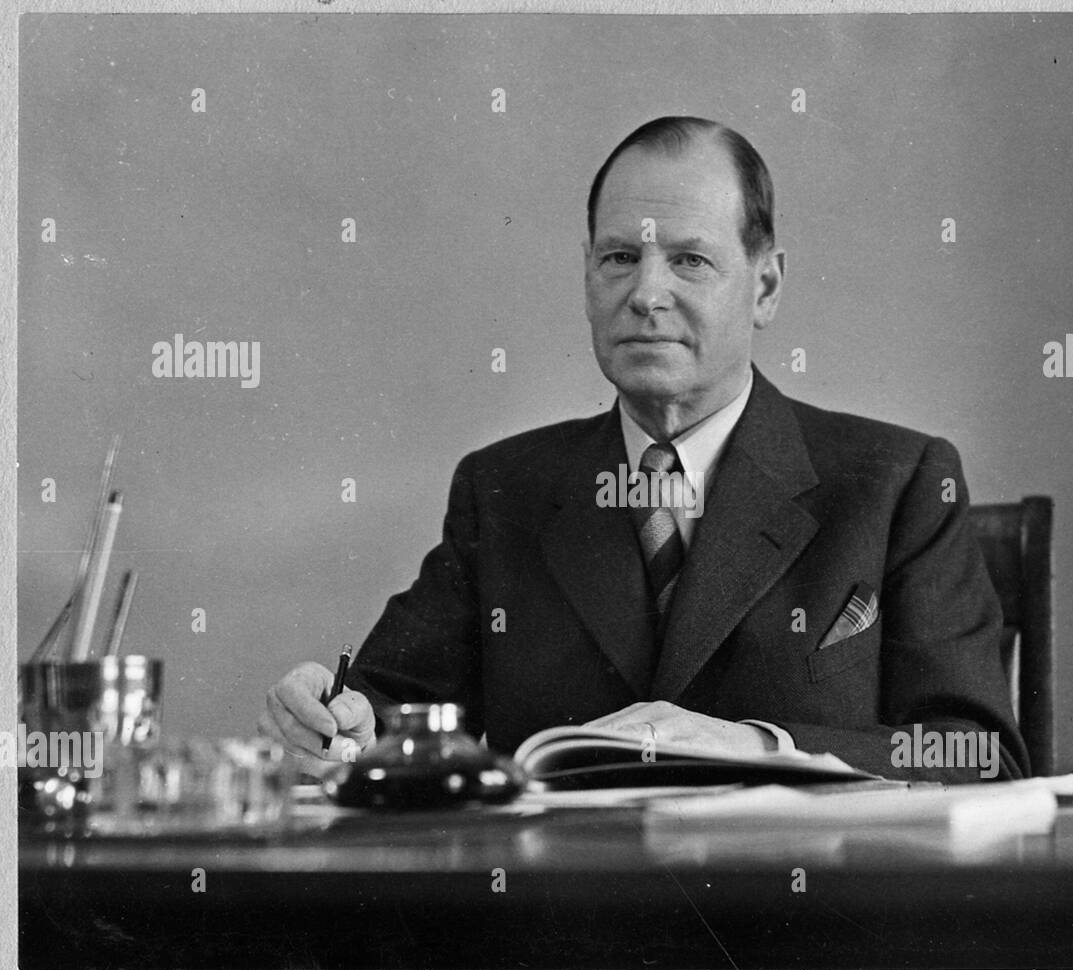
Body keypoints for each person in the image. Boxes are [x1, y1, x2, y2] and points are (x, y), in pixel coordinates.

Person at [261, 116, 1029, 782]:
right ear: (588, 274)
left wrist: (757, 748)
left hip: (799, 923)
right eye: (619, 257)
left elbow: (976, 753)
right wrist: (340, 723)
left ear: (765, 287)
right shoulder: (503, 490)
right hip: (559, 928)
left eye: (689, 260)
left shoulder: (897, 484)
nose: (646, 293)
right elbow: (392, 709)